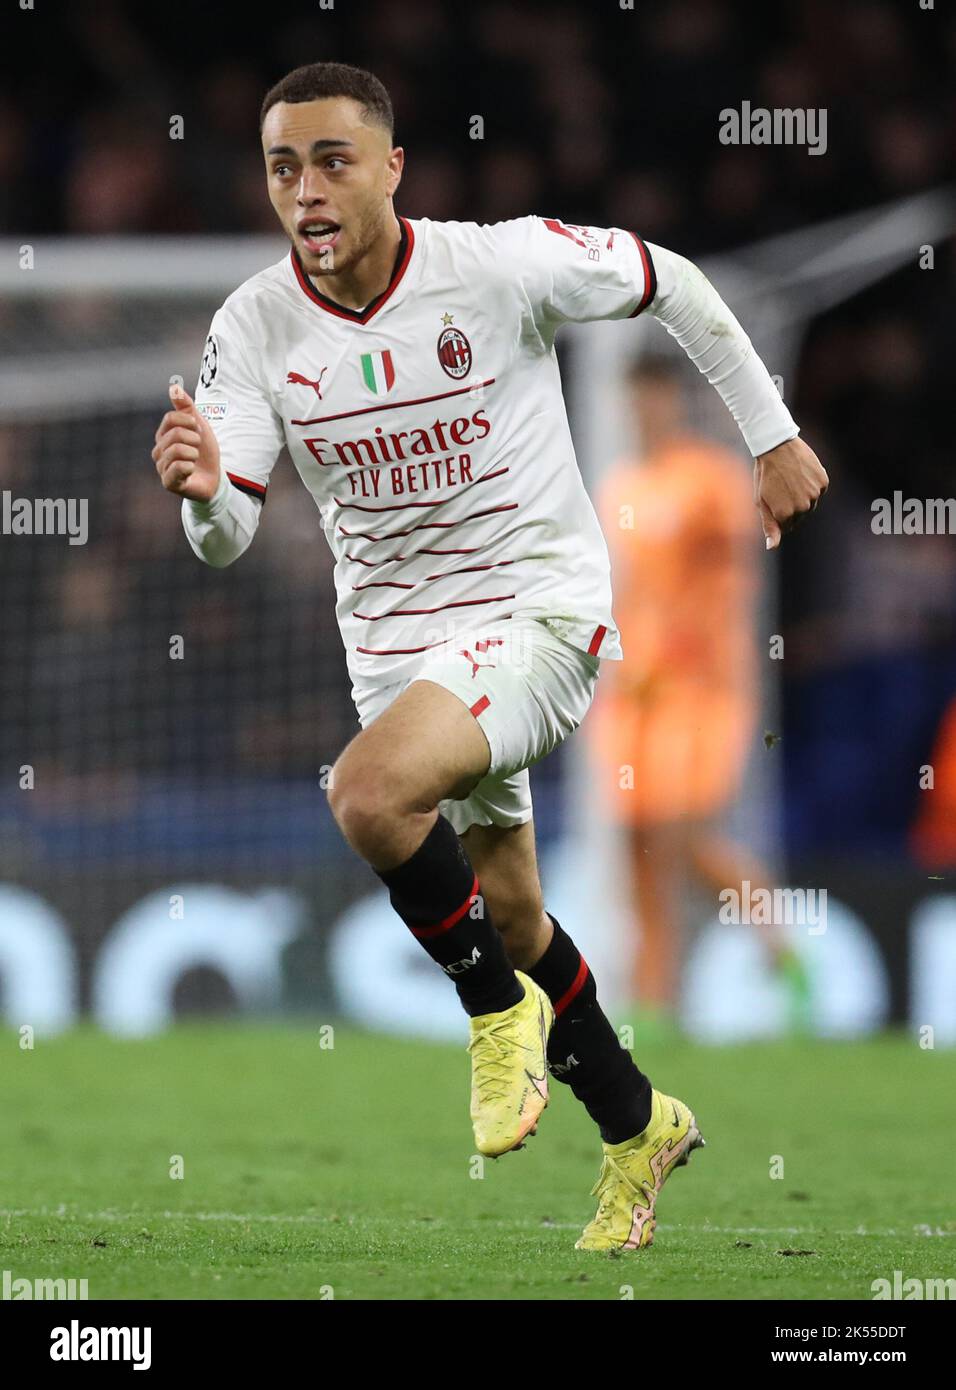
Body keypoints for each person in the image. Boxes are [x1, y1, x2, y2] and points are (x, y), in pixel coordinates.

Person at [151, 62, 827, 1251]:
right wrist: (203, 494)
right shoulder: (253, 324)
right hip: (398, 653)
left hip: (537, 613)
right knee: (511, 911)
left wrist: (767, 434)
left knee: (365, 793)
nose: (304, 189)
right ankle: (636, 1124)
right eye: (280, 166)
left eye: (331, 160)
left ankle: (489, 1018)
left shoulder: (497, 264)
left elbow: (671, 281)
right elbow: (227, 535)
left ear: (391, 168)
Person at [592, 355, 811, 1032]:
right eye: (635, 400)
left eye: (653, 398)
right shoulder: (619, 485)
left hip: (698, 690)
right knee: (635, 844)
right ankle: (656, 1001)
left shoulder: (711, 480)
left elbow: (734, 580)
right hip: (633, 695)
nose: (643, 412)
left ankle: (783, 950)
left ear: (674, 401)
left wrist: (694, 645)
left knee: (682, 837)